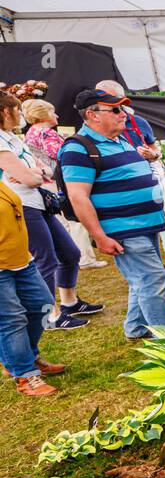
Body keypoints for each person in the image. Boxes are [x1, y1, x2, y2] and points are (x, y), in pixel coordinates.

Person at [59, 88, 165, 340]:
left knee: (142, 281)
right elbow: (78, 196)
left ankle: (135, 327)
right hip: (124, 228)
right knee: (153, 281)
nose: (122, 114)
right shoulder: (78, 148)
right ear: (92, 115)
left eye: (122, 108)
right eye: (114, 110)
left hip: (145, 224)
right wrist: (99, 236)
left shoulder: (119, 139)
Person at [0, 92, 103, 330]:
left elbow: (43, 169)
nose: (21, 113)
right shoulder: (2, 141)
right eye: (16, 108)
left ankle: (70, 302)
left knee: (69, 253)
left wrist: (36, 174)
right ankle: (49, 315)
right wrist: (35, 175)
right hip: (21, 207)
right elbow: (30, 177)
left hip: (38, 203)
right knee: (45, 260)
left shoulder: (13, 138)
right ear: (6, 112)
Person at [97, 80, 165, 269]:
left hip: (144, 184)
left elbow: (155, 150)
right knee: (144, 272)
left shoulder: (138, 122)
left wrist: (153, 155)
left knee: (156, 218)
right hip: (119, 196)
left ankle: (161, 257)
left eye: (113, 102)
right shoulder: (92, 134)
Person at [22, 99, 106, 270]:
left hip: (44, 184)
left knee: (62, 222)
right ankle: (85, 258)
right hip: (56, 182)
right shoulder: (47, 133)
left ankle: (68, 256)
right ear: (44, 115)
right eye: (53, 112)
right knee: (75, 220)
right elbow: (60, 154)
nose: (57, 115)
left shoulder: (31, 132)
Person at [0, 179, 65, 397]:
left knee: (44, 306)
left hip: (21, 260)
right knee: (12, 319)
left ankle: (24, 356)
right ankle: (25, 374)